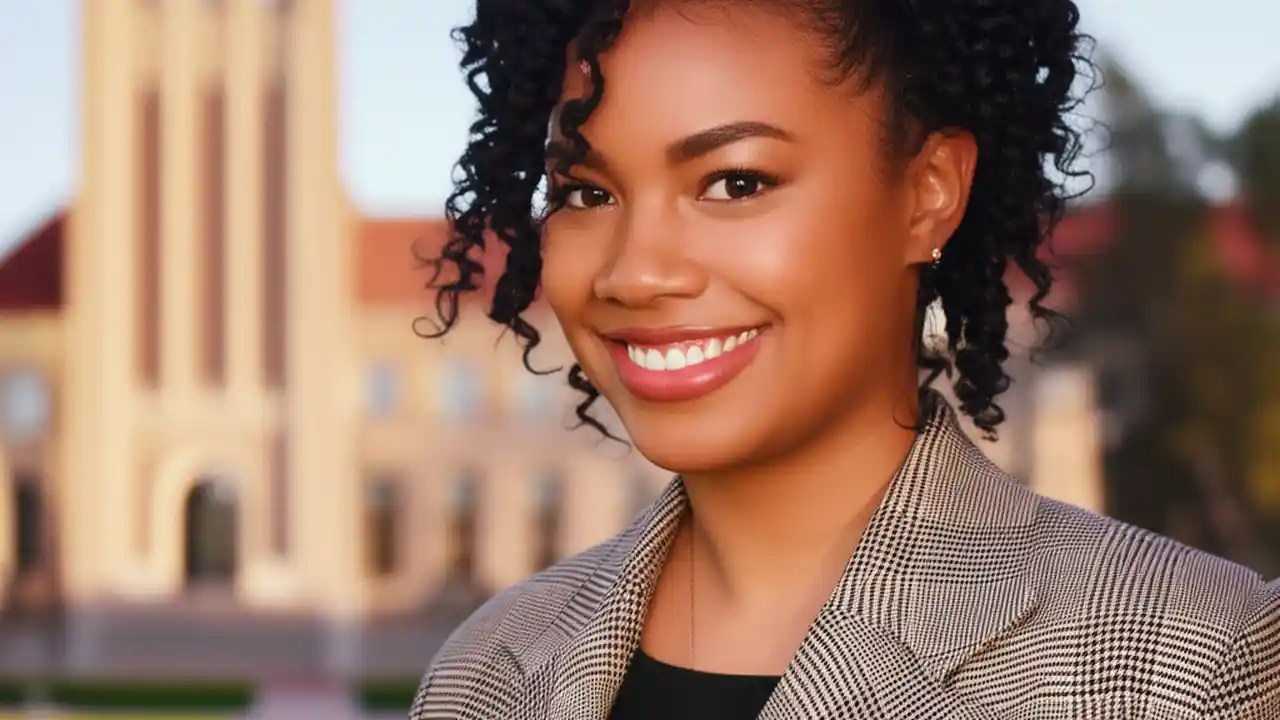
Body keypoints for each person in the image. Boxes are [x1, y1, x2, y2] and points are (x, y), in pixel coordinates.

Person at [409, 1, 1280, 718]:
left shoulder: (1189, 660)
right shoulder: (486, 674)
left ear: (927, 193)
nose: (635, 272)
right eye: (585, 194)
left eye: (736, 182)